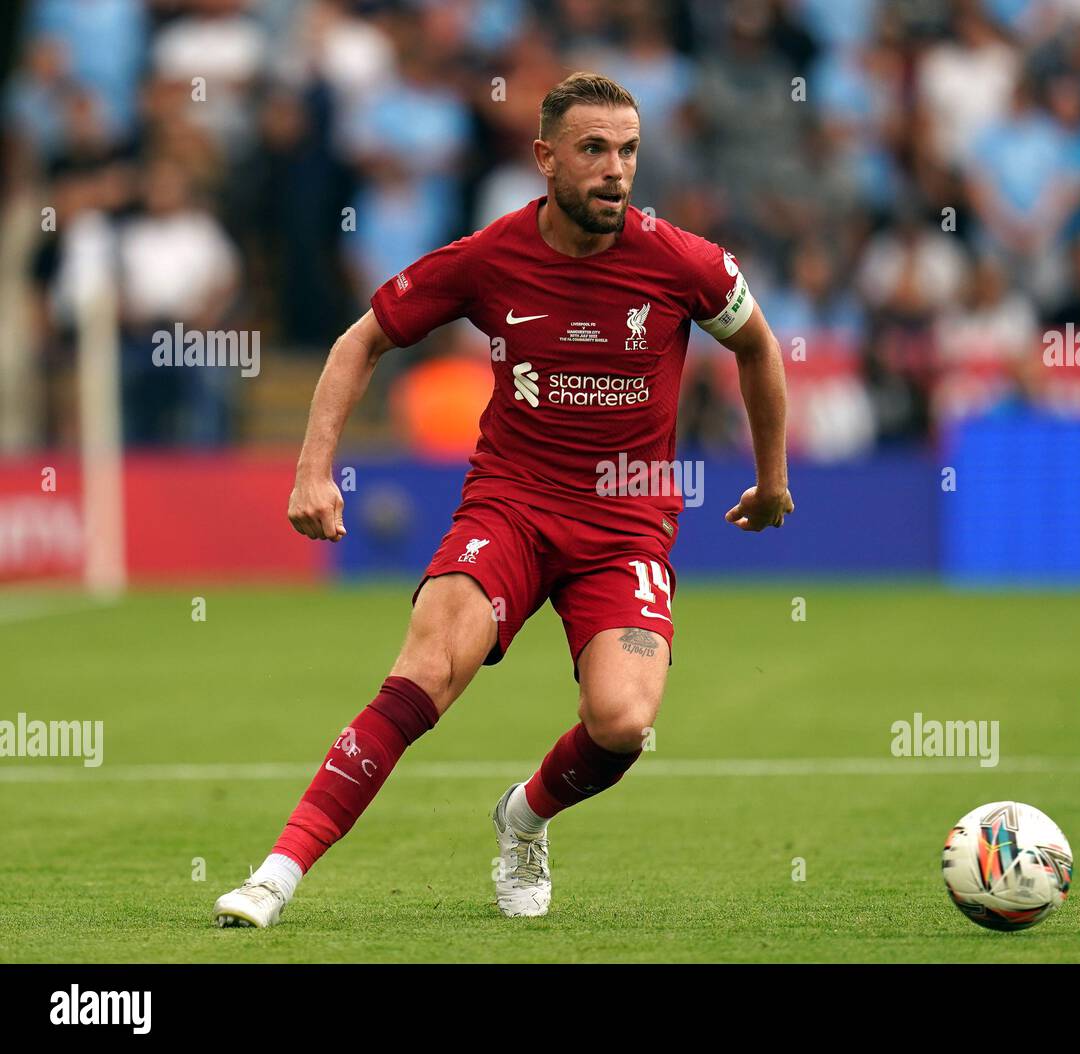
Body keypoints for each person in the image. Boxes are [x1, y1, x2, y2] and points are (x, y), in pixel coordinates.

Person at [213, 72, 793, 925]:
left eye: (628, 151)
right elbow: (360, 340)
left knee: (623, 722)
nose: (615, 170)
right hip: (511, 505)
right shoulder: (490, 258)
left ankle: (524, 817)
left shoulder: (682, 261)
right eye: (594, 150)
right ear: (545, 159)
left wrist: (773, 477)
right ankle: (276, 873)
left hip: (627, 522)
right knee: (425, 672)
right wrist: (312, 469)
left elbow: (759, 348)